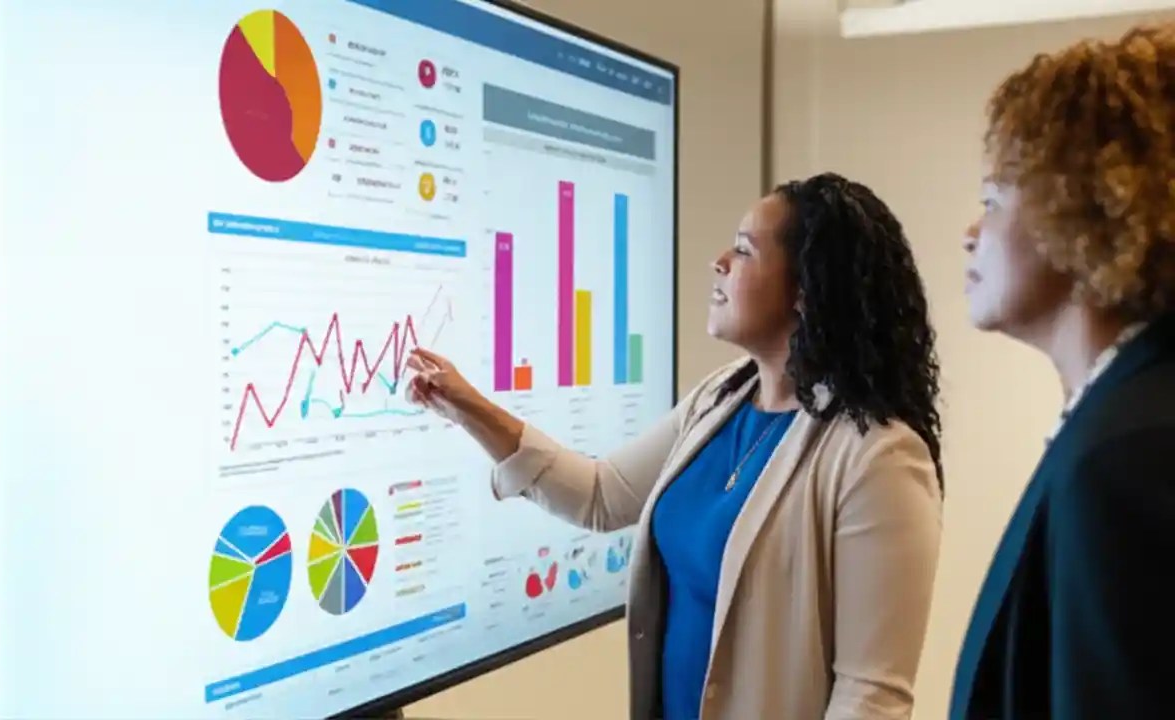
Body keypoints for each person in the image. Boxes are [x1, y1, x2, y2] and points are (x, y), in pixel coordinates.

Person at [406, 173, 945, 719]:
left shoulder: (878, 457)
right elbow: (601, 494)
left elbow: (870, 698)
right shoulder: (724, 396)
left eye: (743, 250)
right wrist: (465, 405)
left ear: (806, 290)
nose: (719, 261)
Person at [951, 25, 1175, 720]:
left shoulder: (1125, 456)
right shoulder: (1134, 408)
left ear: (1084, 205)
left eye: (992, 200)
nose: (970, 231)